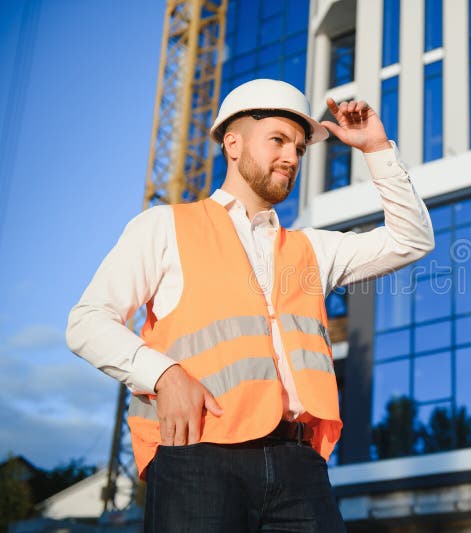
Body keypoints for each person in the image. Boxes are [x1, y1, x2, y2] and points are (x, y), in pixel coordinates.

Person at [66, 78, 434, 532]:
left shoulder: (310, 249)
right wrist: (164, 374)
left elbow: (411, 239)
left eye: (299, 148)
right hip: (196, 457)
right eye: (278, 140)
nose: (291, 157)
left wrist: (377, 148)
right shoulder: (164, 227)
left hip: (300, 467)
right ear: (233, 144)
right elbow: (86, 323)